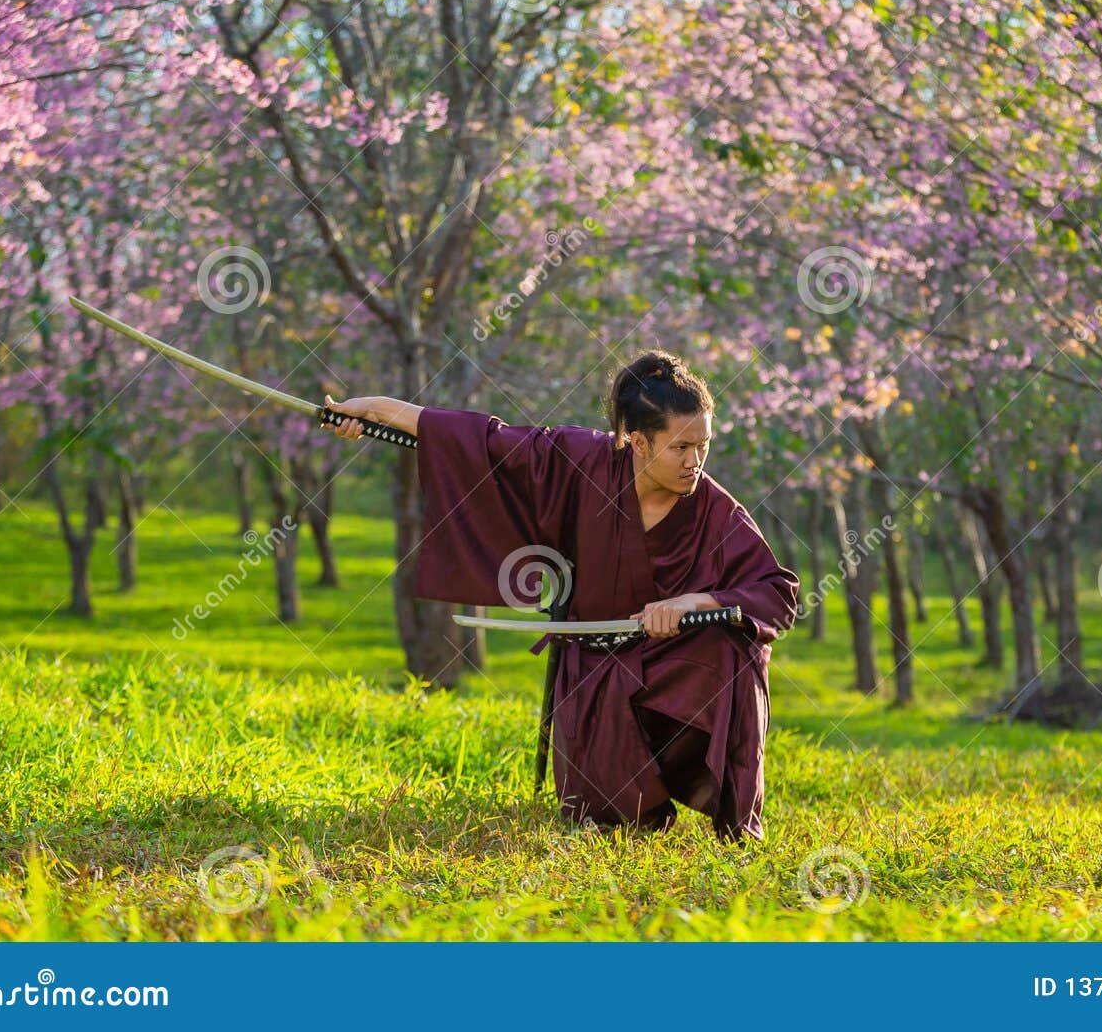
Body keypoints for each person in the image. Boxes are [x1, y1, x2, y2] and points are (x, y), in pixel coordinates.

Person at [321, 350, 800, 842]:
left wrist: (697, 604)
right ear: (637, 442)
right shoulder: (582, 459)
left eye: (703, 446)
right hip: (594, 670)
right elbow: (483, 442)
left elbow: (777, 594)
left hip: (671, 666)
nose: (694, 462)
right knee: (612, 823)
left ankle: (732, 819)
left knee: (733, 651)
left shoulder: (717, 511)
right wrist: (374, 410)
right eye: (680, 448)